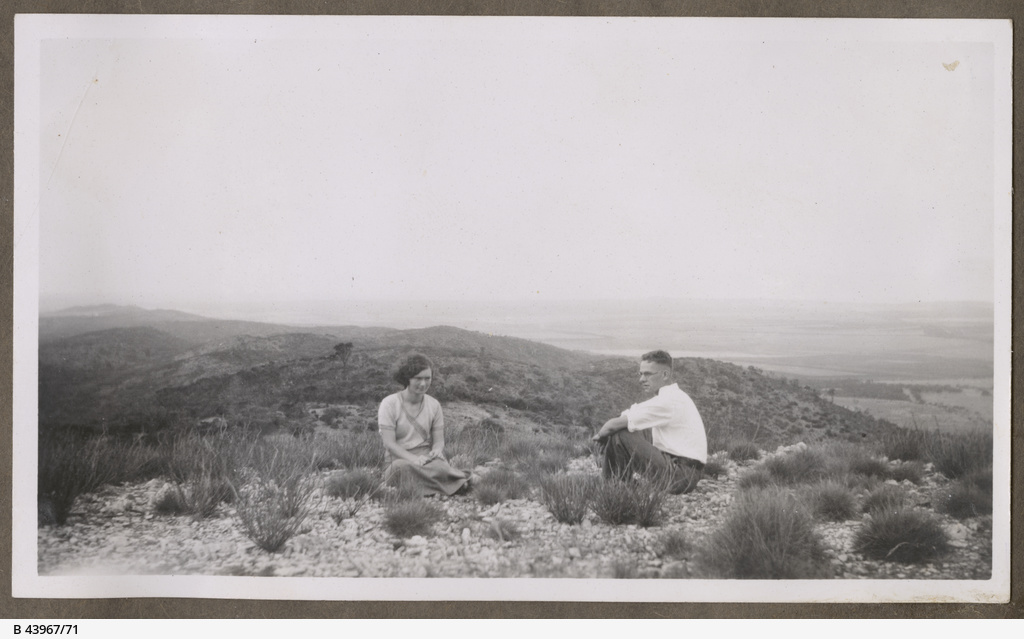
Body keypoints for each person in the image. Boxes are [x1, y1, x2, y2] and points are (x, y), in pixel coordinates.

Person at [591, 350, 707, 494]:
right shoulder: (673, 396)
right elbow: (628, 415)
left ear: (665, 375)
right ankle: (619, 486)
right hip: (682, 470)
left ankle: (613, 488)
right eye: (641, 374)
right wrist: (612, 431)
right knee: (627, 428)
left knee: (621, 434)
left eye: (647, 374)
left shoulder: (669, 400)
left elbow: (611, 426)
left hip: (681, 476)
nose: (641, 379)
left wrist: (601, 437)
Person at [378, 353, 470, 497]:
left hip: (427, 460)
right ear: (407, 378)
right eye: (418, 378)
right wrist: (414, 459)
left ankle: (436, 485)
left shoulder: (434, 405)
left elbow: (438, 441)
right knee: (399, 469)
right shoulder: (389, 403)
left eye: (427, 378)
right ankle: (457, 483)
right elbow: (389, 444)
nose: (423, 384)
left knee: (440, 467)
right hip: (399, 460)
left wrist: (437, 450)